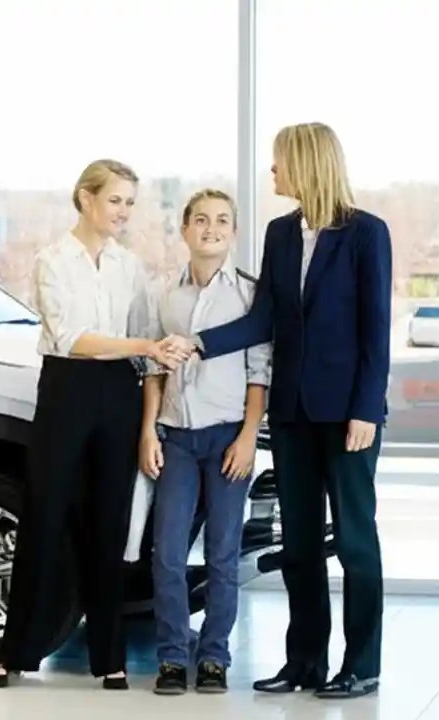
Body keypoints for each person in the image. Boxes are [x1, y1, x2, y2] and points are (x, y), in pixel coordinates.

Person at [187, 122, 391, 699]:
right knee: (298, 542)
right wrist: (199, 342)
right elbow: (263, 320)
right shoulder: (280, 234)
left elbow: (376, 333)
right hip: (293, 413)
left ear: (306, 163)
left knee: (354, 541)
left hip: (349, 415)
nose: (272, 172)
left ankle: (362, 664)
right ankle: (303, 662)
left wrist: (366, 411)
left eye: (279, 162)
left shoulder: (366, 234)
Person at [0, 159, 192, 690]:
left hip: (118, 394)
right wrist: (145, 346)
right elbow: (72, 336)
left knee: (109, 526)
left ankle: (110, 656)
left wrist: (149, 410)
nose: (123, 212)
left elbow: (146, 352)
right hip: (67, 389)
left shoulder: (130, 267)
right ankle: (14, 652)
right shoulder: (52, 260)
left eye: (129, 203)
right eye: (115, 200)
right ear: (85, 198)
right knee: (44, 516)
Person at [137, 189, 270, 695]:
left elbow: (259, 373)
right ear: (185, 230)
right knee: (167, 553)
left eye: (221, 221)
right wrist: (149, 430)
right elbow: (152, 368)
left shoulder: (249, 296)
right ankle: (173, 656)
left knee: (221, 554)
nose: (210, 228)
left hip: (227, 441)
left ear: (233, 232)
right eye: (200, 220)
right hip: (176, 441)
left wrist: (247, 438)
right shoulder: (163, 295)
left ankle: (214, 656)